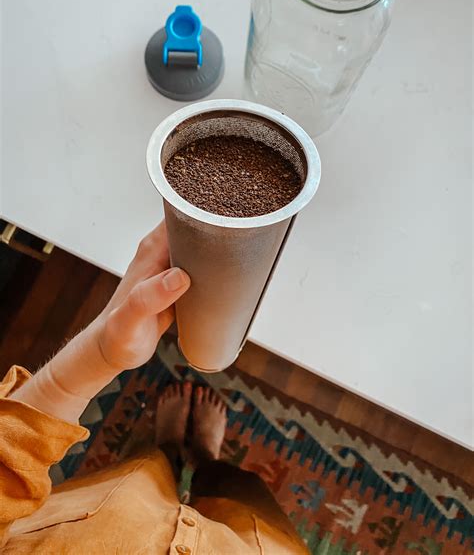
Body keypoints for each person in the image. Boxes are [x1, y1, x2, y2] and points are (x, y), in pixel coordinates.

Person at [0, 222, 309, 554]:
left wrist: (95, 357)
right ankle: (205, 458)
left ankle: (168, 450)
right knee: (244, 494)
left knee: (146, 472)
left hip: (101, 522)